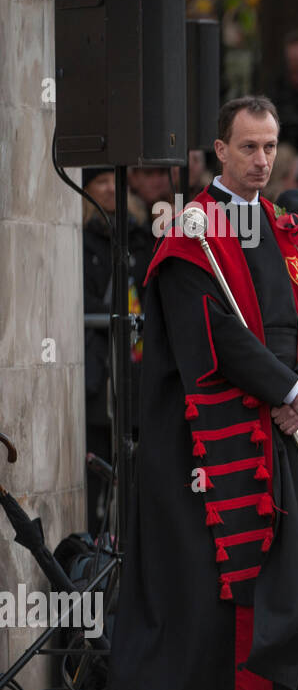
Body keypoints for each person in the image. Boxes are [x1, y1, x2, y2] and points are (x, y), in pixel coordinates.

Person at [108, 96, 298, 690]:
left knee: (291, 563)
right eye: (248, 148)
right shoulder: (193, 233)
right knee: (236, 570)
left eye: (270, 147)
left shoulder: (278, 222)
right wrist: (286, 387)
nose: (261, 160)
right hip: (218, 437)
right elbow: (211, 337)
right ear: (220, 151)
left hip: (286, 421)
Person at [81, 166, 153, 528]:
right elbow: (80, 301)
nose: (111, 189)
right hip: (100, 368)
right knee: (99, 461)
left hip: (140, 365)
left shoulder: (140, 235)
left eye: (115, 180)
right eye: (101, 182)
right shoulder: (81, 239)